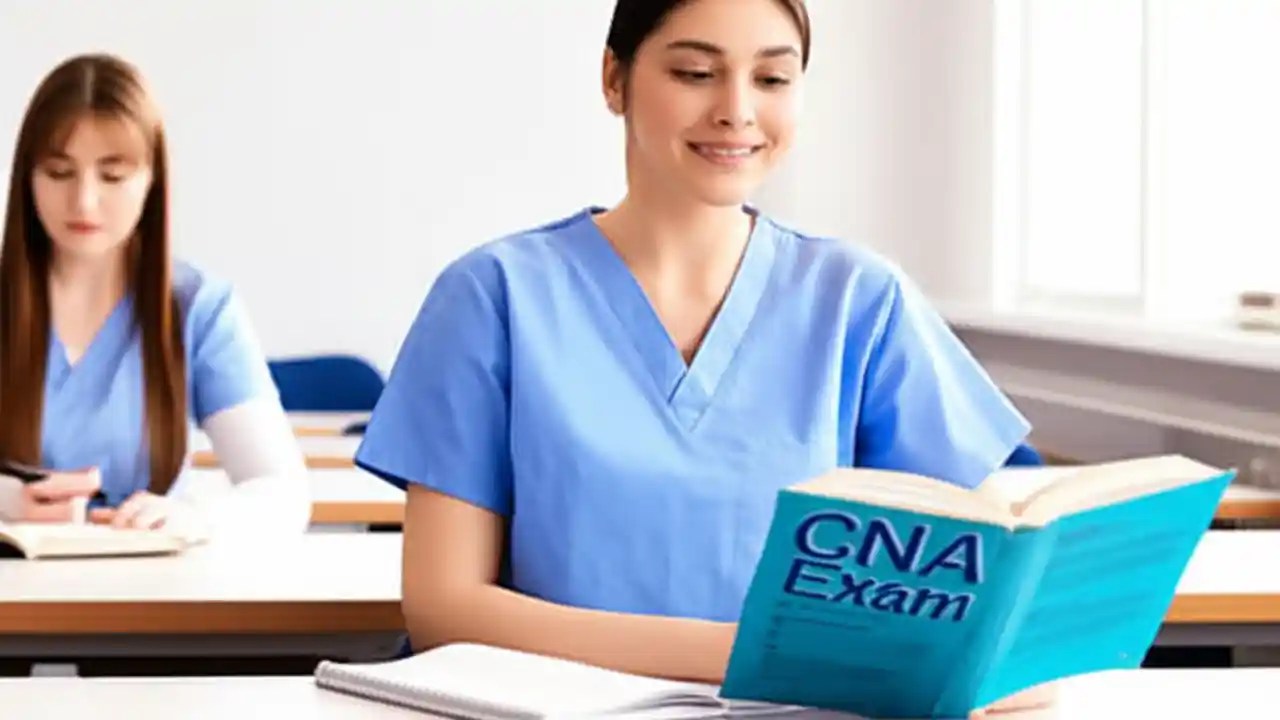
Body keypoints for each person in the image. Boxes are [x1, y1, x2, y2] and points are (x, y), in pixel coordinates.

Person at [356, 0, 1052, 714]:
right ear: (613, 80)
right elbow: (445, 610)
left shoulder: (859, 300)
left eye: (774, 80)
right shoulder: (493, 296)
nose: (737, 111)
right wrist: (751, 653)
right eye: (695, 72)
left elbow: (963, 587)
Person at [0, 53, 310, 538]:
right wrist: (10, 501)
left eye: (113, 176)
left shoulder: (200, 308)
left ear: (152, 182)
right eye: (59, 173)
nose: (83, 201)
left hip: (154, 595)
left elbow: (283, 491)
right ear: (27, 179)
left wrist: (194, 518)